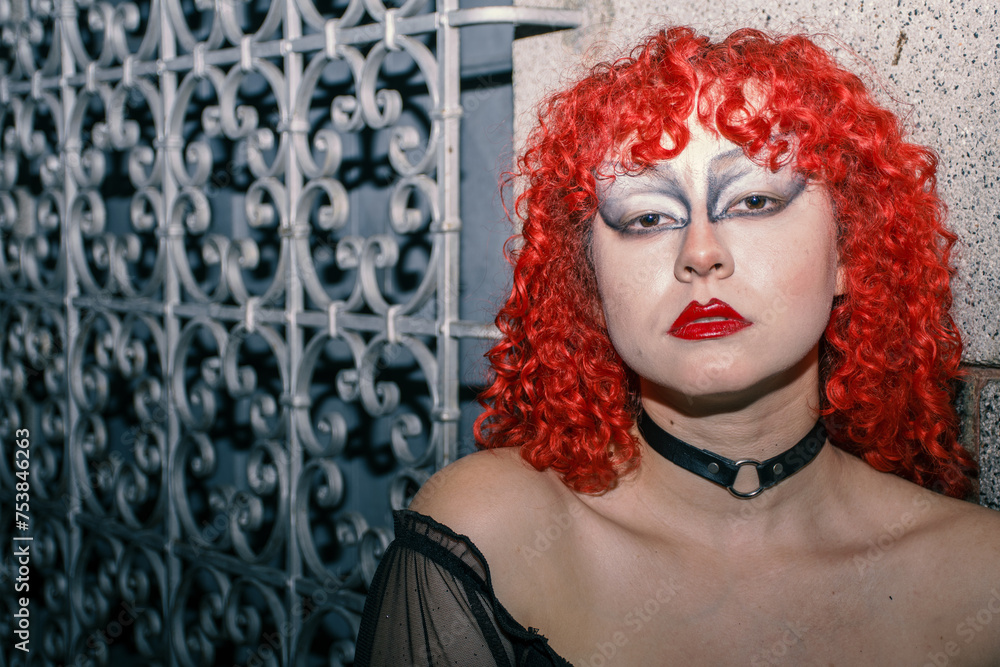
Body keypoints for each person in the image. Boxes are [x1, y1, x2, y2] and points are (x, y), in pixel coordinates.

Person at [354, 26, 1000, 666]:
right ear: (590, 279)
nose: (699, 254)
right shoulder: (487, 534)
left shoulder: (983, 574)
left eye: (752, 199)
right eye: (647, 217)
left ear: (850, 253)